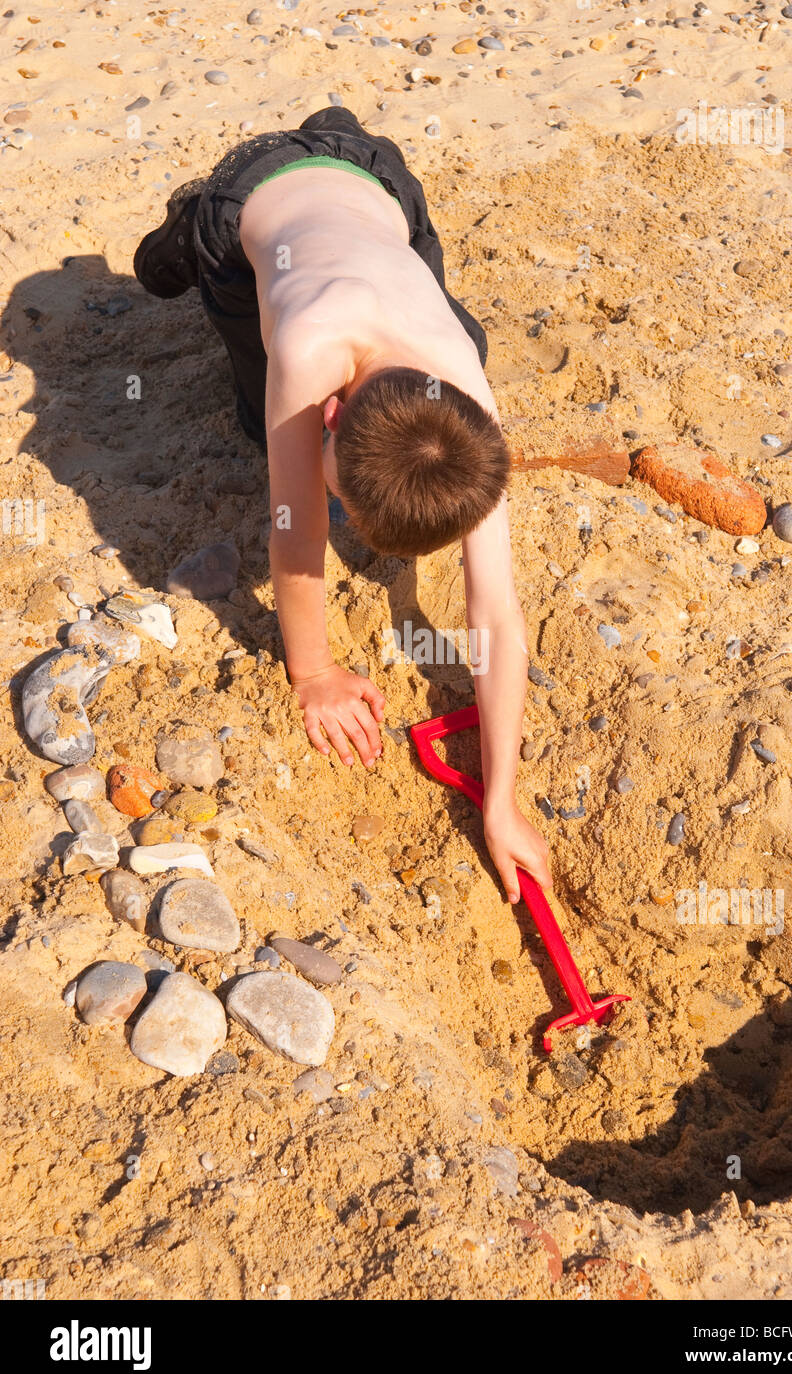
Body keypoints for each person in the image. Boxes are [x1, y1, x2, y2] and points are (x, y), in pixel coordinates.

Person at [135, 107, 551, 904]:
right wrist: (313, 671)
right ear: (330, 414)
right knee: (253, 425)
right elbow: (296, 530)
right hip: (249, 205)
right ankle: (185, 227)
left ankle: (330, 131)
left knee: (454, 317)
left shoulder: (469, 403)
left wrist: (502, 797)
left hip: (381, 181)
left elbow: (494, 609)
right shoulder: (305, 354)